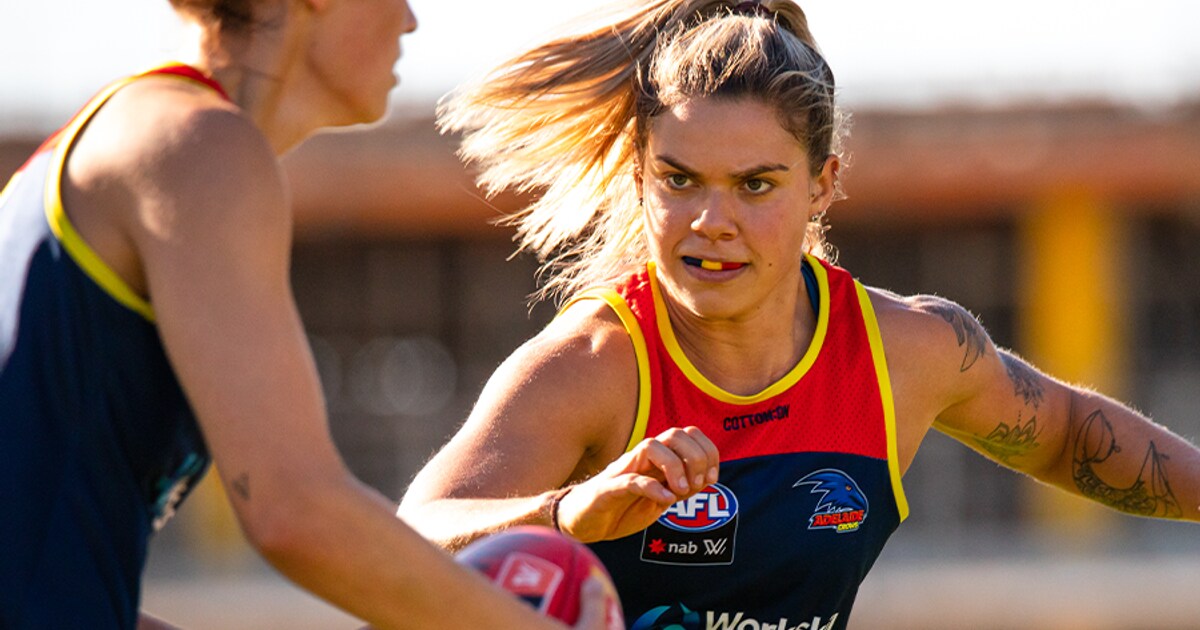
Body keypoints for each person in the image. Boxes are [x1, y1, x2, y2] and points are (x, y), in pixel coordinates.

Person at [398, 0, 1200, 628]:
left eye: (755, 185)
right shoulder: (593, 365)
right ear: (641, 178)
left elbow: (1064, 432)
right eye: (679, 180)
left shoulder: (907, 350)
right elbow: (411, 538)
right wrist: (566, 512)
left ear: (822, 183)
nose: (712, 221)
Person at [0, 1, 611, 628]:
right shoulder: (199, 148)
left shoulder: (98, 146)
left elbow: (53, 581)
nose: (410, 21)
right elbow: (294, 511)